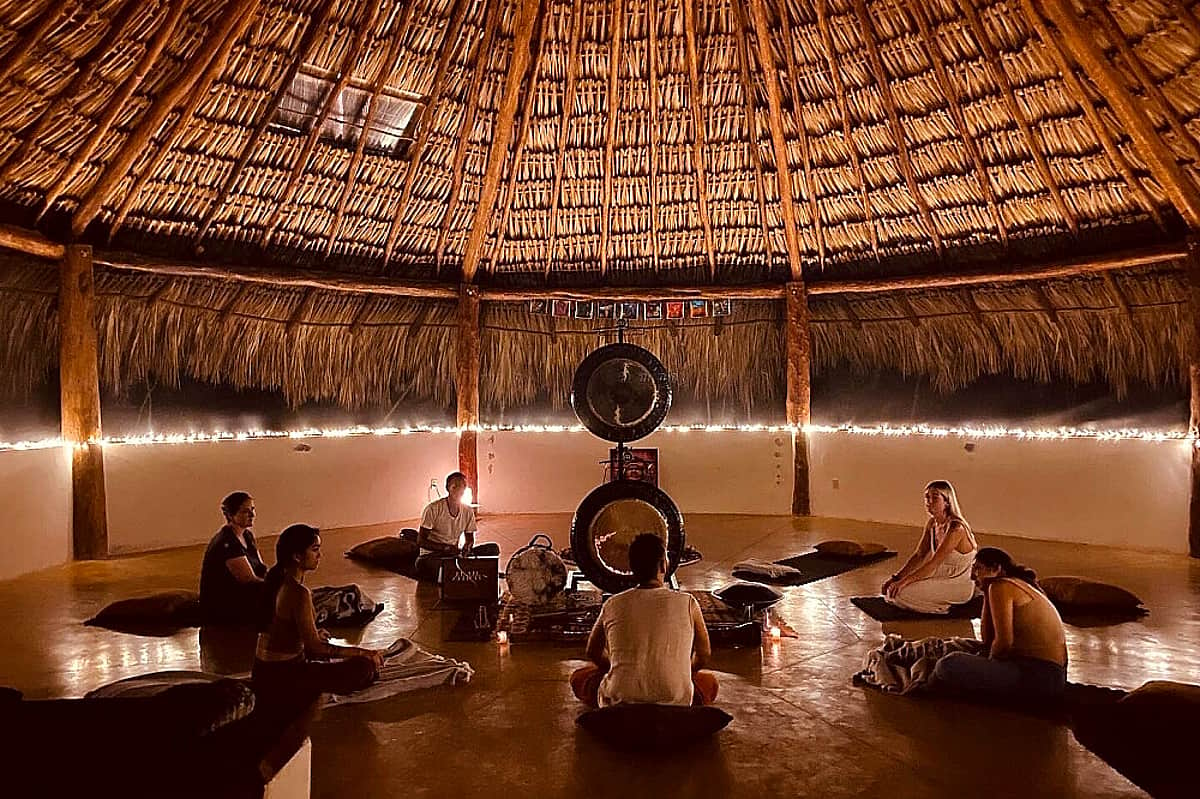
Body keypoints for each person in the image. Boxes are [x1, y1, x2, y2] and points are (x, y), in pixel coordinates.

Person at [570, 533, 718, 708]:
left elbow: (592, 651)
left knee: (579, 678)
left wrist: (613, 667)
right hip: (675, 703)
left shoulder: (612, 604)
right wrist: (685, 673)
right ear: (663, 564)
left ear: (631, 567)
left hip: (621, 701)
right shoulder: (688, 602)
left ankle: (618, 713)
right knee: (710, 683)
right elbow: (704, 654)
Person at [252, 524, 383, 709]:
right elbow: (315, 649)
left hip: (262, 670)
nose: (319, 555)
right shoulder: (297, 592)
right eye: (314, 549)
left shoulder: (277, 578)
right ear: (297, 556)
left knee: (339, 660)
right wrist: (363, 653)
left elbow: (282, 631)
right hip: (282, 677)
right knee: (365, 668)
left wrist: (312, 633)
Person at [929, 547, 1068, 702]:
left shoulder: (1001, 586)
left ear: (996, 569)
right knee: (958, 645)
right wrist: (986, 594)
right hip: (1047, 675)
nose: (972, 576)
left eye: (978, 569)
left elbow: (1003, 642)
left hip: (1039, 677)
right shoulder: (1006, 586)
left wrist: (986, 661)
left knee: (948, 664)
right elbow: (987, 640)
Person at [881, 480, 978, 614]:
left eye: (934, 497)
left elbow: (934, 563)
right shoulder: (932, 523)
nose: (929, 501)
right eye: (927, 497)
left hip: (958, 584)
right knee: (891, 593)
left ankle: (945, 608)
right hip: (940, 577)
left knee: (899, 594)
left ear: (947, 502)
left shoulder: (956, 528)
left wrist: (903, 583)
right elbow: (919, 555)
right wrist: (896, 578)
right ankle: (933, 603)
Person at [414, 471, 499, 582]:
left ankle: (457, 570)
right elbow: (421, 541)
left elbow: (469, 539)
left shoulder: (467, 511)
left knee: (493, 549)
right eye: (455, 486)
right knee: (422, 564)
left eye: (463, 486)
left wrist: (467, 547)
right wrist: (445, 548)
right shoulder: (433, 509)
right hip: (433, 555)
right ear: (448, 488)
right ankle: (456, 572)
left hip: (454, 554)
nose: (459, 490)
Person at [199, 491, 268, 624]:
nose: (252, 515)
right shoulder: (226, 542)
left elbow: (260, 568)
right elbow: (248, 580)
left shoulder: (247, 536)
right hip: (225, 604)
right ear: (231, 515)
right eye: (245, 512)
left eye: (252, 509)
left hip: (245, 596)